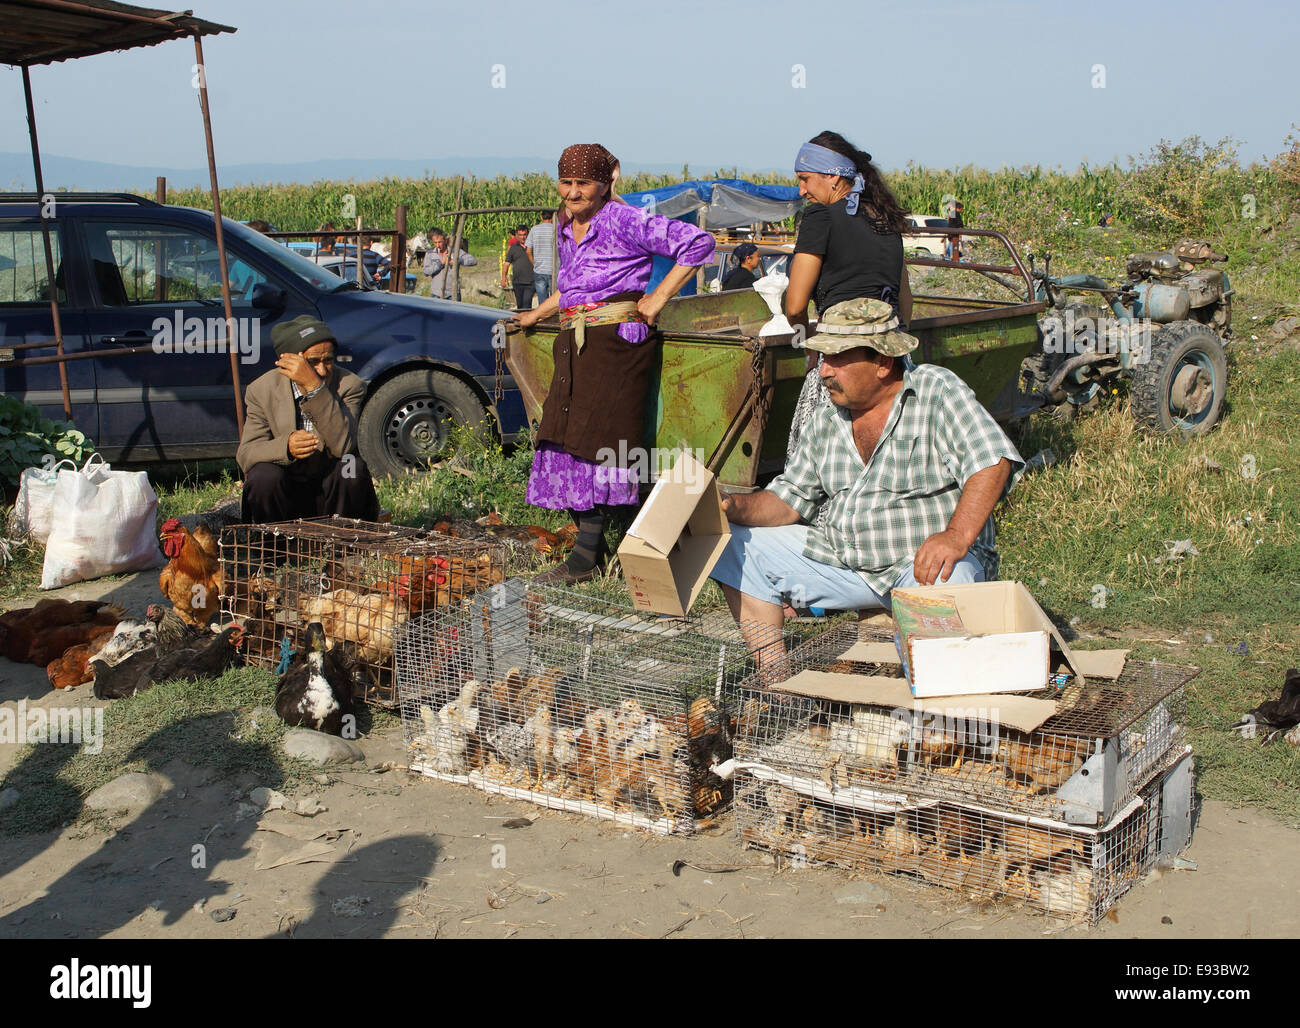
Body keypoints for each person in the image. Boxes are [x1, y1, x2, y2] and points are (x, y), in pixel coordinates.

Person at [709, 298, 1023, 666]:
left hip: (923, 566)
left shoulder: (935, 391)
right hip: (845, 561)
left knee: (944, 631)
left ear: (882, 362)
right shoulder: (828, 416)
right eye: (822, 358)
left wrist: (955, 537)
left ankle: (938, 709)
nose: (823, 371)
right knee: (731, 545)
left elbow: (992, 462)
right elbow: (787, 500)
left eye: (836, 359)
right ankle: (777, 686)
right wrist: (731, 505)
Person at [509, 143, 715, 584]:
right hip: (575, 341)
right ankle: (591, 550)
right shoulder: (564, 226)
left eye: (584, 183)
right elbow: (575, 288)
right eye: (567, 182)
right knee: (565, 435)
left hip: (616, 342)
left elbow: (698, 243)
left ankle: (586, 558)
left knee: (597, 438)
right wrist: (534, 315)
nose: (573, 192)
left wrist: (658, 298)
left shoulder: (623, 219)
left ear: (606, 184)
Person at [785, 130, 914, 465]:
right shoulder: (887, 220)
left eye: (805, 179)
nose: (802, 190)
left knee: (825, 464)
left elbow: (795, 303)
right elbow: (905, 303)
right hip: (889, 362)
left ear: (833, 176)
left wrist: (808, 343)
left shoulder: (820, 218)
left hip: (842, 359)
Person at [237, 315, 379, 525]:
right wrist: (285, 447)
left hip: (332, 492)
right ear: (289, 361)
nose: (322, 370)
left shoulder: (350, 385)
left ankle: (341, 544)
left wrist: (314, 388)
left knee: (350, 467)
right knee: (262, 475)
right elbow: (247, 453)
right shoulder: (261, 390)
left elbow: (344, 446)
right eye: (312, 362)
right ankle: (272, 547)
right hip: (286, 494)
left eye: (328, 360)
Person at [422, 228, 478, 300]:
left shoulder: (455, 251)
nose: (437, 245)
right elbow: (426, 271)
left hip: (452, 293)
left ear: (445, 240)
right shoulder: (430, 253)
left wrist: (457, 261)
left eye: (439, 242)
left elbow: (473, 260)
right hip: (436, 294)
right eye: (435, 243)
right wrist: (441, 263)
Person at [501, 226, 535, 310]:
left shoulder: (532, 247)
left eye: (524, 235)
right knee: (519, 306)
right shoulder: (513, 248)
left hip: (530, 282)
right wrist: (503, 278)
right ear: (516, 235)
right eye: (520, 235)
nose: (523, 237)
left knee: (527, 305)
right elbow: (506, 264)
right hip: (517, 282)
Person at [526, 211, 556, 303]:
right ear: (552, 218)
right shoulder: (556, 229)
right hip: (554, 270)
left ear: (541, 217)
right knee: (554, 300)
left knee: (542, 301)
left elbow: (528, 250)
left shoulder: (534, 230)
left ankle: (544, 317)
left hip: (539, 269)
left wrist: (534, 263)